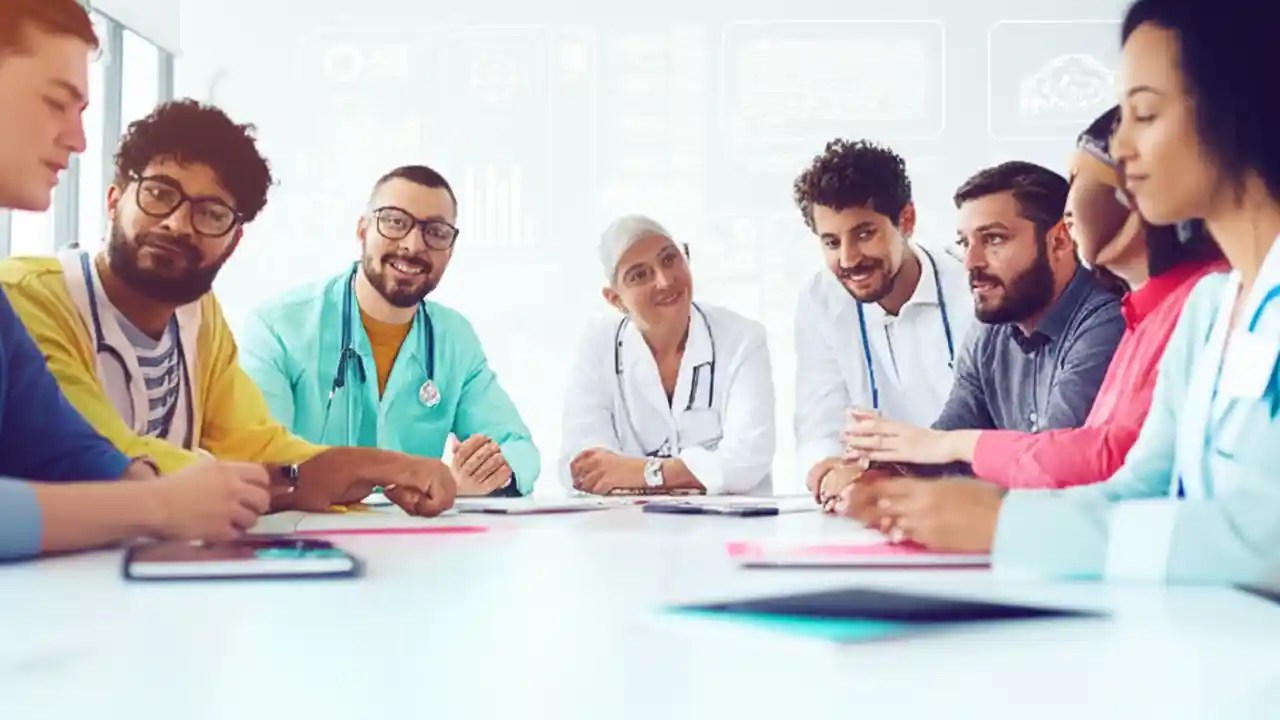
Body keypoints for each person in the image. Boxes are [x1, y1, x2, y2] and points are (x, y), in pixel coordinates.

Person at [843, 0, 1280, 584]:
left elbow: (1265, 542)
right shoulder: (1209, 309)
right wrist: (963, 513)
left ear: (1238, 108)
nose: (1120, 150)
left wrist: (1005, 525)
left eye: (1145, 115)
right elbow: (1137, 486)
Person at [0, 99, 456, 521]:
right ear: (114, 200)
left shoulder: (197, 316)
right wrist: (288, 480)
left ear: (234, 241)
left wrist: (386, 467)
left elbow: (257, 445)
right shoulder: (28, 298)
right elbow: (95, 457)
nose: (178, 223)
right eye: (159, 193)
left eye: (212, 213)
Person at [0, 0, 281, 560]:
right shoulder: (30, 295)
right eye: (56, 102)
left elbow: (76, 457)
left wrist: (168, 494)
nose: (79, 141)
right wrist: (159, 507)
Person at [838, 107, 1225, 489]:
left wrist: (951, 447)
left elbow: (1076, 464)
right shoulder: (996, 328)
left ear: (1059, 240)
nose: (970, 262)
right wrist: (881, 467)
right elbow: (946, 448)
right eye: (963, 242)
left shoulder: (1120, 317)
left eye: (993, 239)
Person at [239, 165, 538, 496]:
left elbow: (517, 449)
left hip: (415, 543)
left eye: (436, 232)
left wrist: (473, 478)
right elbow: (262, 462)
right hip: (305, 537)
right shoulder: (278, 327)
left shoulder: (453, 338)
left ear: (450, 250)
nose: (412, 245)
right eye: (395, 222)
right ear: (362, 230)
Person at [791, 139, 973, 501]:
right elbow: (819, 423)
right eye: (831, 242)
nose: (848, 258)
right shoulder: (820, 298)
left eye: (864, 234)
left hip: (968, 497)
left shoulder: (970, 289)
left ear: (906, 220)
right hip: (876, 502)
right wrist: (829, 473)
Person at [559, 215, 775, 495]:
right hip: (628, 530)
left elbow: (747, 459)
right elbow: (584, 465)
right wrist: (698, 471)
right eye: (639, 275)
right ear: (615, 299)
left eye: (669, 259)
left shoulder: (742, 339)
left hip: (727, 531)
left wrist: (640, 473)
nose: (664, 280)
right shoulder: (597, 348)